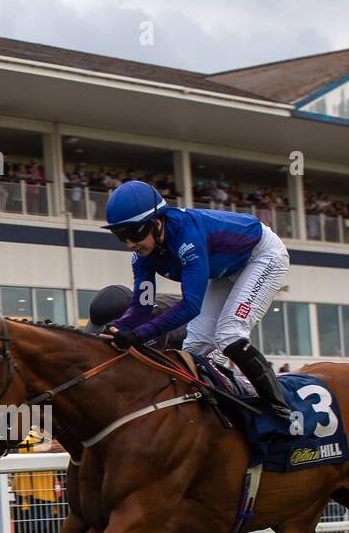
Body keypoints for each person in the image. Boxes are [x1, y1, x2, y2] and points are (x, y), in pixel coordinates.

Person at [99, 179, 292, 418]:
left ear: (157, 223)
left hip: (262, 256)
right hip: (225, 268)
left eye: (133, 233)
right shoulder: (142, 257)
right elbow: (142, 306)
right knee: (194, 347)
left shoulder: (186, 238)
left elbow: (191, 305)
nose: (130, 244)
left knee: (229, 334)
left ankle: (280, 408)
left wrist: (138, 335)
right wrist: (119, 327)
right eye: (121, 236)